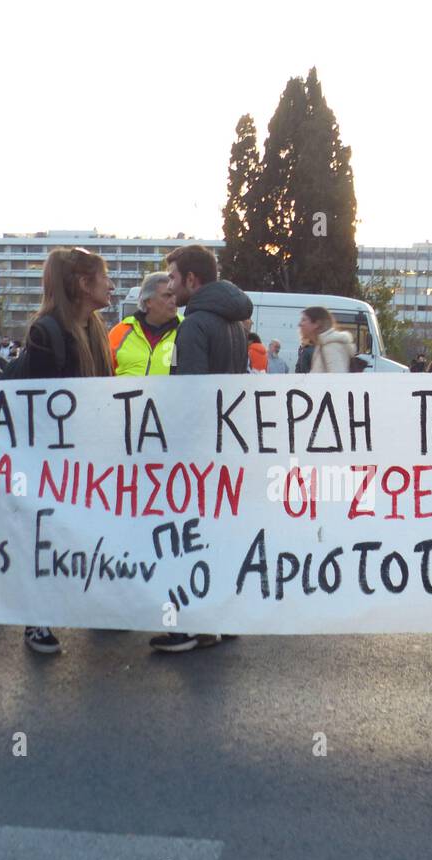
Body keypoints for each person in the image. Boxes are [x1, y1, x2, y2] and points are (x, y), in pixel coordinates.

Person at [151, 244, 250, 653]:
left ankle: (189, 626)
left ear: (192, 280)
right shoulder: (233, 324)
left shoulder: (193, 326)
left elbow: (190, 396)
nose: (169, 289)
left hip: (196, 453)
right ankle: (221, 619)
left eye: (173, 278)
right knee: (216, 535)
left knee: (188, 539)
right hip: (225, 449)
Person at [20, 247, 114, 654]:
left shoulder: (95, 328)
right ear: (82, 284)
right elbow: (38, 407)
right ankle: (35, 620)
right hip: (53, 459)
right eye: (104, 276)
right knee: (49, 537)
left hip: (87, 457)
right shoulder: (47, 332)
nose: (111, 284)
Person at [108, 271, 179, 376]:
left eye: (175, 295)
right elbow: (104, 374)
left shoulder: (184, 329)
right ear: (148, 301)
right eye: (167, 295)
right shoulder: (120, 332)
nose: (174, 300)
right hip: (126, 392)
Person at [299, 307, 355, 374]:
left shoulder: (331, 346)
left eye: (304, 320)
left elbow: (338, 380)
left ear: (317, 324)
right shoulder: (323, 345)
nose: (300, 324)